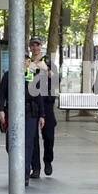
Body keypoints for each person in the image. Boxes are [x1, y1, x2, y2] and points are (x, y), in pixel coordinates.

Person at [0, 59, 45, 186]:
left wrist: (42, 115)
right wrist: (1, 110)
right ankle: (18, 167)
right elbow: (2, 94)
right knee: (11, 144)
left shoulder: (32, 75)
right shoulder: (8, 75)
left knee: (28, 144)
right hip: (12, 112)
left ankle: (24, 175)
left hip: (30, 113)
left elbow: (39, 95)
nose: (23, 62)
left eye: (26, 60)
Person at [28, 37, 58, 178]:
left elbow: (57, 79)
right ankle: (36, 167)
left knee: (48, 136)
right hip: (33, 102)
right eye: (33, 45)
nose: (35, 48)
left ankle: (47, 161)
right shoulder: (27, 61)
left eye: (37, 45)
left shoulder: (47, 61)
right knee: (33, 137)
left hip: (46, 102)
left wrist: (46, 71)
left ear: (42, 46)